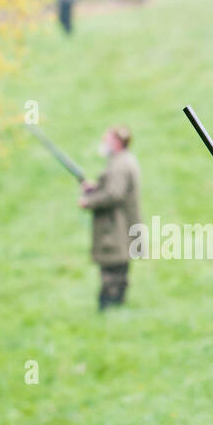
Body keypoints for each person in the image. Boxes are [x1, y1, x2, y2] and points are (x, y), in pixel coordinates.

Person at [78, 126, 141, 309]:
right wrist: (95, 188)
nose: (104, 142)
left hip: (115, 227)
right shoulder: (123, 161)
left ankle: (111, 308)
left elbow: (114, 194)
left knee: (113, 270)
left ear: (118, 142)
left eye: (107, 139)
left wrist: (88, 201)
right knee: (118, 268)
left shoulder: (120, 165)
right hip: (119, 225)